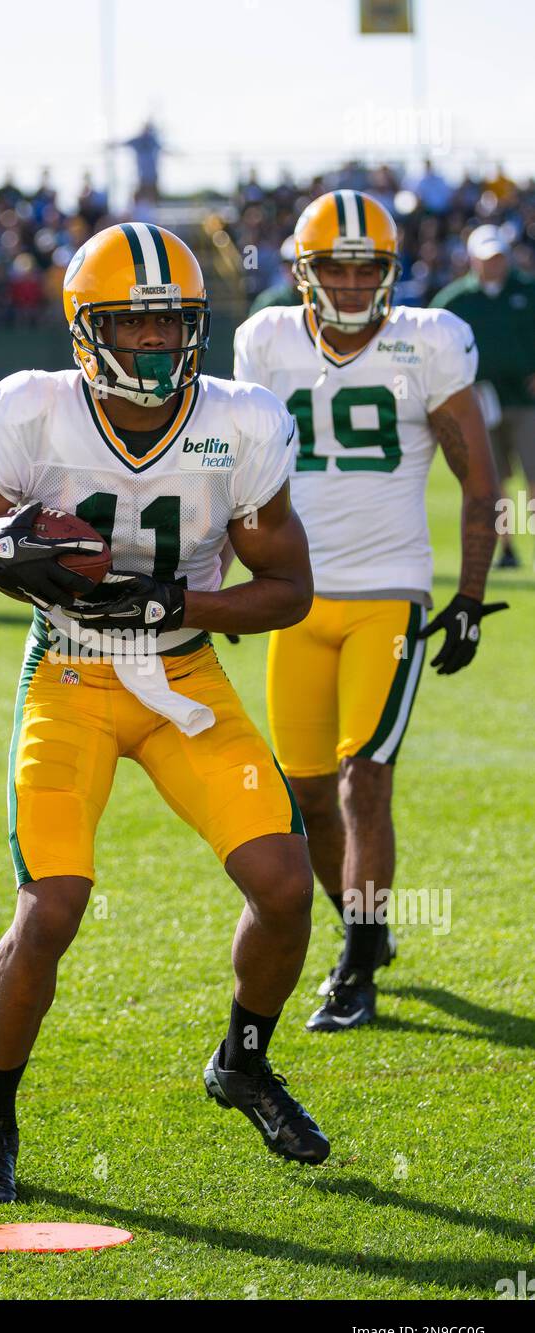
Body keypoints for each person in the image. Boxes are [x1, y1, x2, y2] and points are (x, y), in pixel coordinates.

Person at [0, 221, 330, 1204]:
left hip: (182, 675)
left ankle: (242, 1060)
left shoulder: (241, 420)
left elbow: (289, 589)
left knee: (286, 885)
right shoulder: (33, 415)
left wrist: (178, 604)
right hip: (73, 674)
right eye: (132, 328)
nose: (154, 346)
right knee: (51, 906)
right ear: (85, 330)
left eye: (170, 324)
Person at [233, 191, 505, 1033]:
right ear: (301, 272)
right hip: (296, 598)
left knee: (364, 778)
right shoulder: (267, 341)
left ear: (391, 272)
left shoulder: (428, 342)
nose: (352, 284)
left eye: (367, 268)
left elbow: (482, 483)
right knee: (306, 792)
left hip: (389, 591)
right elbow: (234, 471)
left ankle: (355, 957)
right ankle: (369, 927)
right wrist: (223, 575)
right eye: (336, 267)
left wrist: (465, 595)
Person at [431, 225, 535, 568]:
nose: (494, 264)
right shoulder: (457, 299)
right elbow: (431, 342)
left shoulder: (527, 290)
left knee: (533, 475)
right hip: (479, 404)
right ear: (473, 259)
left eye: (499, 257)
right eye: (488, 258)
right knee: (496, 479)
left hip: (526, 400)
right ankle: (507, 548)